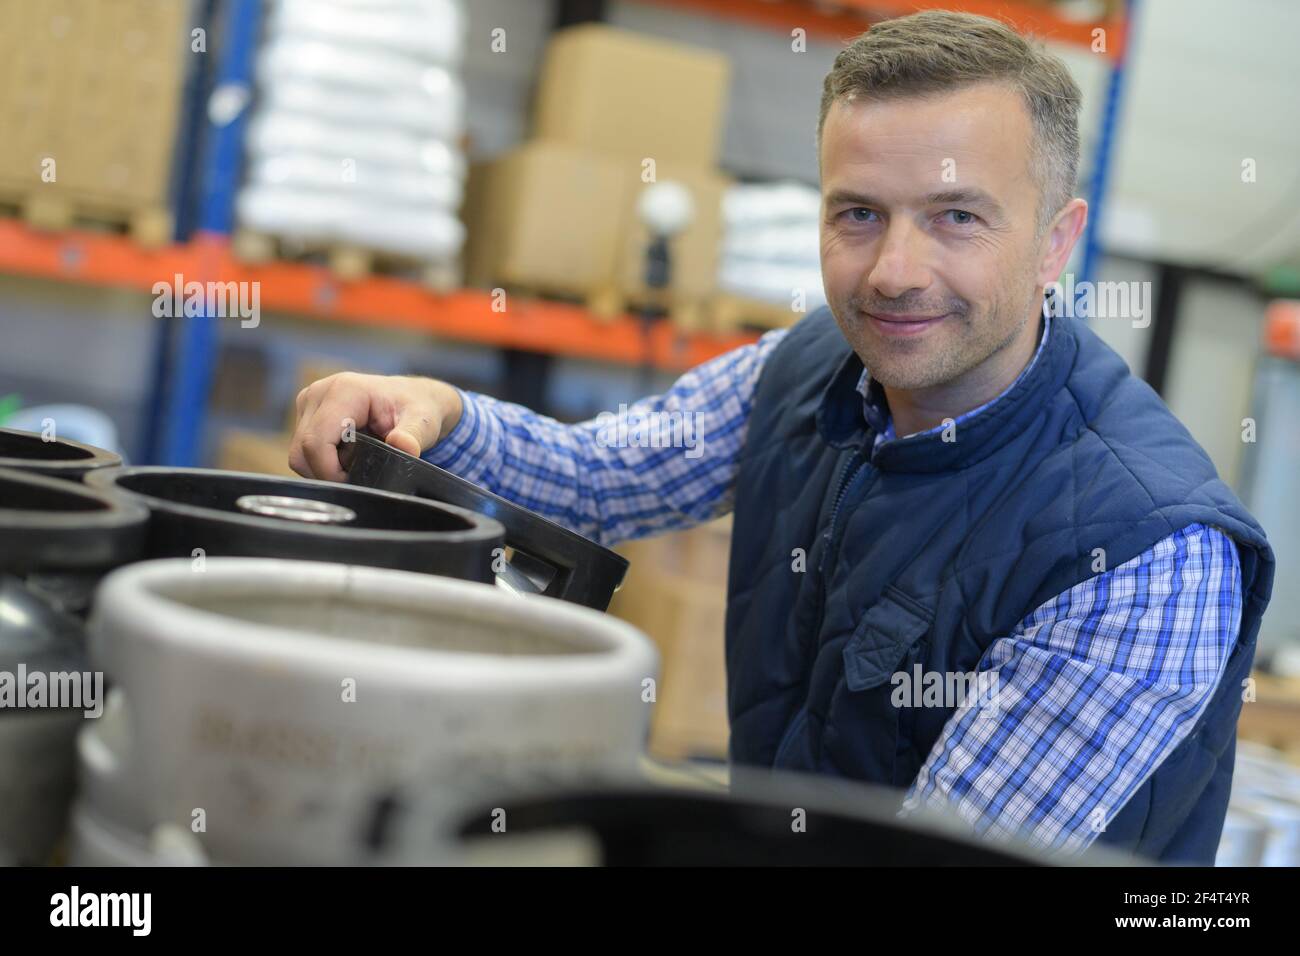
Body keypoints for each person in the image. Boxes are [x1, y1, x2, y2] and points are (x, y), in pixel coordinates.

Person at [289, 11, 1273, 863]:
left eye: (955, 217)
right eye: (859, 213)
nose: (893, 271)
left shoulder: (1146, 550)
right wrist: (436, 414)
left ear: (1056, 240)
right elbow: (598, 478)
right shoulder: (806, 371)